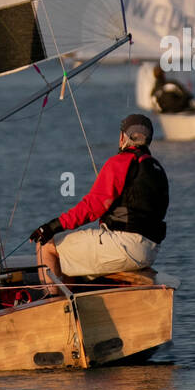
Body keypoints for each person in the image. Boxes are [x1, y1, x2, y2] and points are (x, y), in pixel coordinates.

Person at [30, 114, 168, 289]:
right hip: (150, 251)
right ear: (148, 140)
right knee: (72, 253)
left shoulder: (120, 162)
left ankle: (54, 302)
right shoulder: (157, 169)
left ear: (122, 137)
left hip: (124, 247)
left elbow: (93, 207)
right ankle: (74, 299)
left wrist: (52, 227)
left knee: (46, 246)